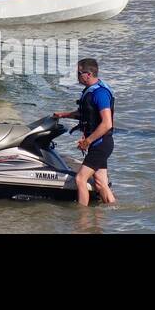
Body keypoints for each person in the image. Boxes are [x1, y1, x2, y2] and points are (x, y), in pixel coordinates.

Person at [53, 58, 117, 206]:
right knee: (101, 183)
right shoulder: (91, 91)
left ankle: (83, 218)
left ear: (88, 74)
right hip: (99, 144)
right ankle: (114, 210)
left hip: (101, 144)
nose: (76, 76)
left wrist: (87, 141)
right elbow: (86, 114)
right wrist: (64, 115)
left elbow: (107, 123)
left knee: (80, 179)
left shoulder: (100, 93)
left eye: (78, 73)